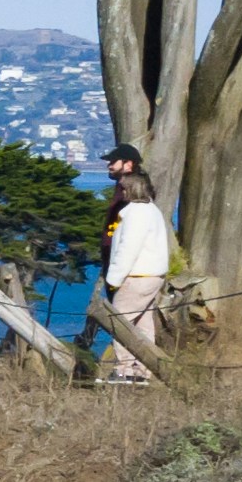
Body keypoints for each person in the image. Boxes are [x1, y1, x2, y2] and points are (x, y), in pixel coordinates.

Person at [96, 158, 176, 384]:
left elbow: (127, 249)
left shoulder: (135, 213)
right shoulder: (152, 211)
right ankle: (142, 370)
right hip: (153, 276)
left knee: (119, 322)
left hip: (137, 276)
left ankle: (124, 371)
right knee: (143, 325)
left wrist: (113, 278)